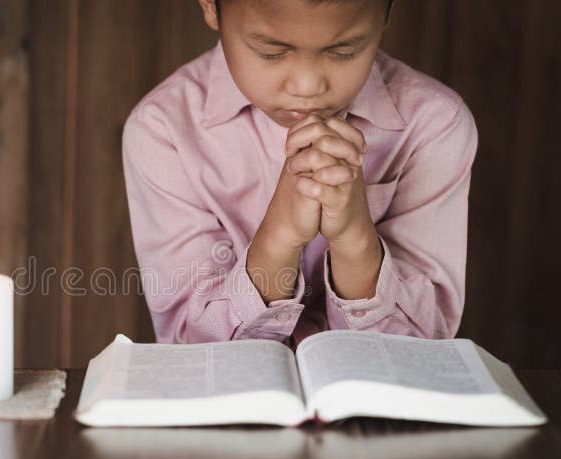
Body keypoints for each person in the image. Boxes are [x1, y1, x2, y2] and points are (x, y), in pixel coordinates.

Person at [122, 0, 478, 347]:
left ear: (387, 12)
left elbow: (426, 346)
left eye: (344, 51)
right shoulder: (165, 130)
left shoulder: (434, 125)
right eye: (270, 52)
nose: (307, 87)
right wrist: (278, 238)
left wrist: (355, 241)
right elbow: (189, 343)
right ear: (210, 7)